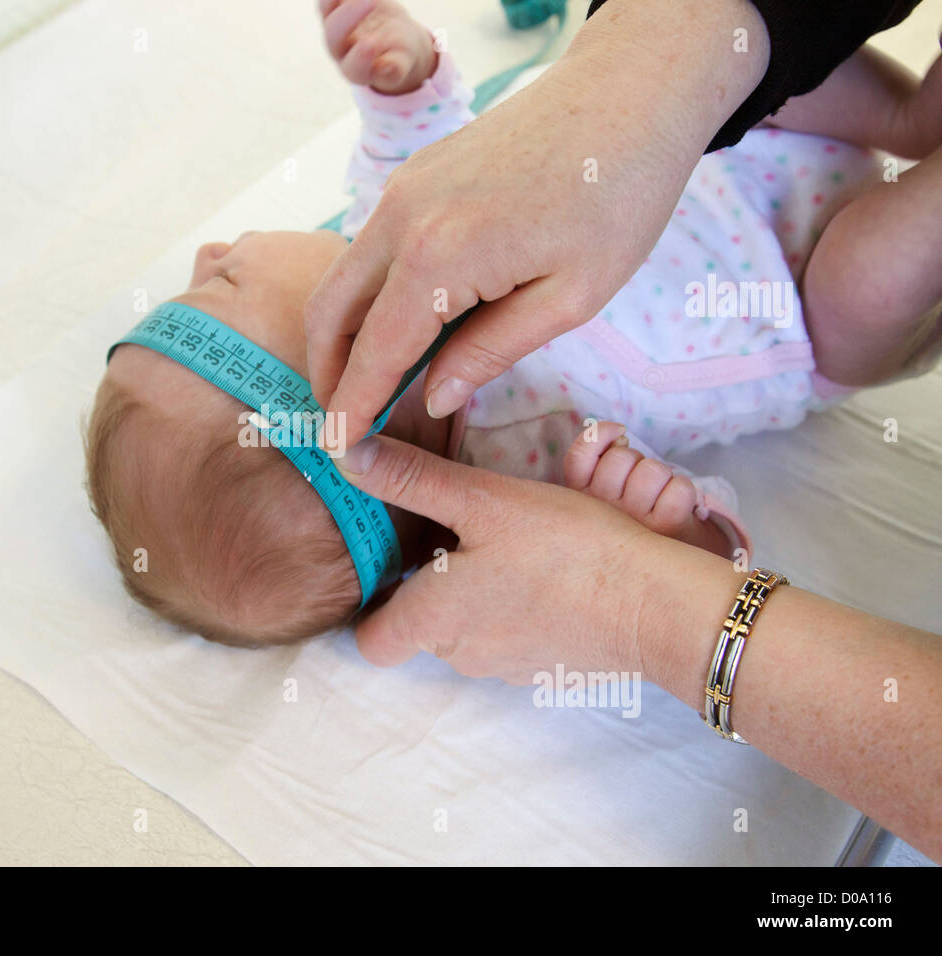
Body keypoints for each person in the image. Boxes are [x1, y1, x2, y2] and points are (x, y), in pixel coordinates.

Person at [306, 0, 928, 452]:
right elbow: (646, 555)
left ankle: (910, 118)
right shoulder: (505, 467)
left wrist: (402, 76)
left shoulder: (382, 234)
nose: (214, 252)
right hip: (803, 318)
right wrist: (678, 520)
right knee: (868, 280)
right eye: (226, 285)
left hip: (702, 143)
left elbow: (420, 147)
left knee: (722, 64)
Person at [334, 427, 942, 863]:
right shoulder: (511, 475)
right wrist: (681, 542)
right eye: (234, 288)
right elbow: (696, 520)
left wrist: (635, 592)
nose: (236, 247)